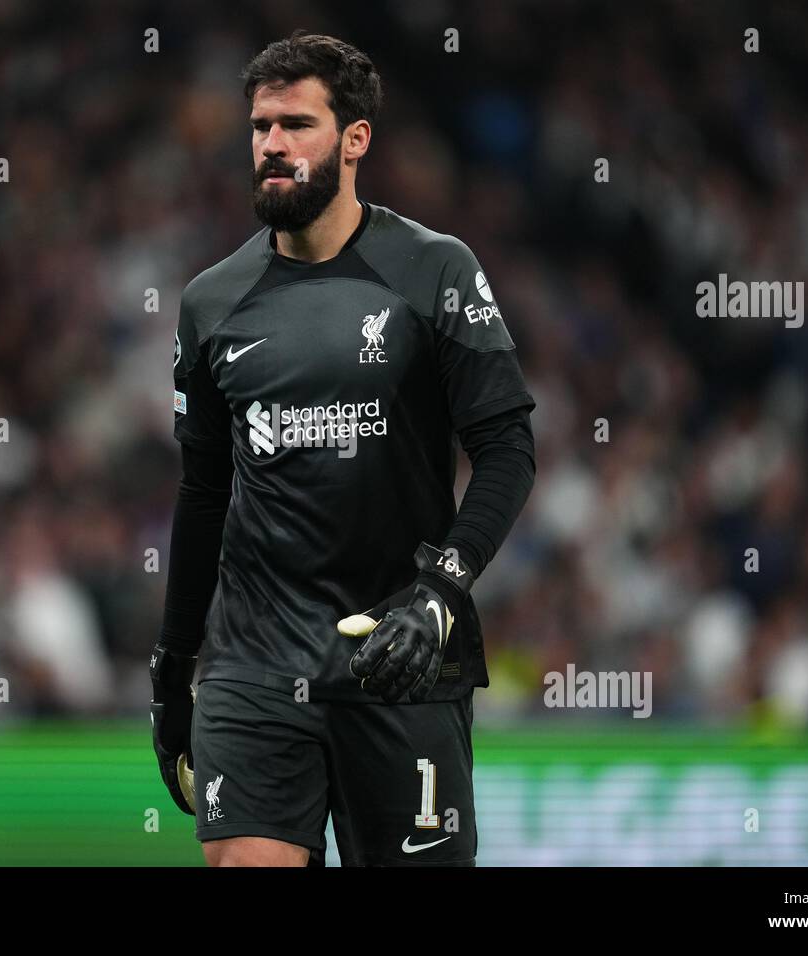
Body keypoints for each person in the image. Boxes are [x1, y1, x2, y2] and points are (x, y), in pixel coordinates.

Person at [150, 30, 537, 867]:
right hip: (253, 666)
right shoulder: (211, 302)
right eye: (259, 127)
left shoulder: (434, 270)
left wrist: (439, 593)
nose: (271, 146)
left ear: (355, 139)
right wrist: (173, 665)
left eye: (296, 124)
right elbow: (203, 494)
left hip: (400, 661)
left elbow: (506, 447)